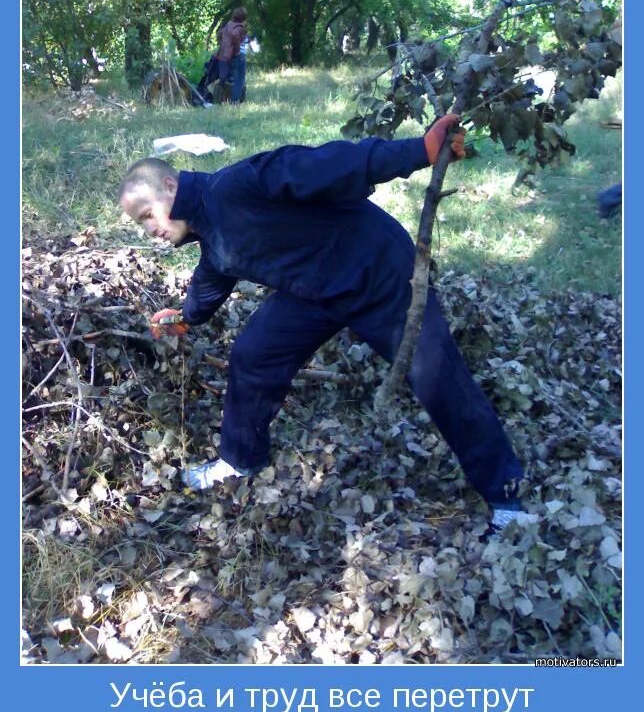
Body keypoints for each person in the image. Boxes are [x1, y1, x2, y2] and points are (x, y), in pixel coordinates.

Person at [118, 115, 524, 533]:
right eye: (140, 223)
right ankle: (239, 460)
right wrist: (187, 317)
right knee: (254, 355)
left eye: (148, 215)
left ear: (171, 187)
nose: (149, 230)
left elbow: (332, 163)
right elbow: (216, 269)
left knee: (438, 378)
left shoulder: (242, 183)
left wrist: (418, 151)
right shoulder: (210, 228)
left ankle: (507, 498)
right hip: (315, 290)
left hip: (377, 275)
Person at [214, 7, 247, 104]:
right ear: (243, 17)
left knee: (231, 77)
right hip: (238, 55)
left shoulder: (229, 24)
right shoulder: (239, 27)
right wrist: (237, 50)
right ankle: (234, 101)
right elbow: (235, 35)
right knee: (239, 79)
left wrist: (224, 45)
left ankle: (224, 99)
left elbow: (219, 33)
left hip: (228, 55)